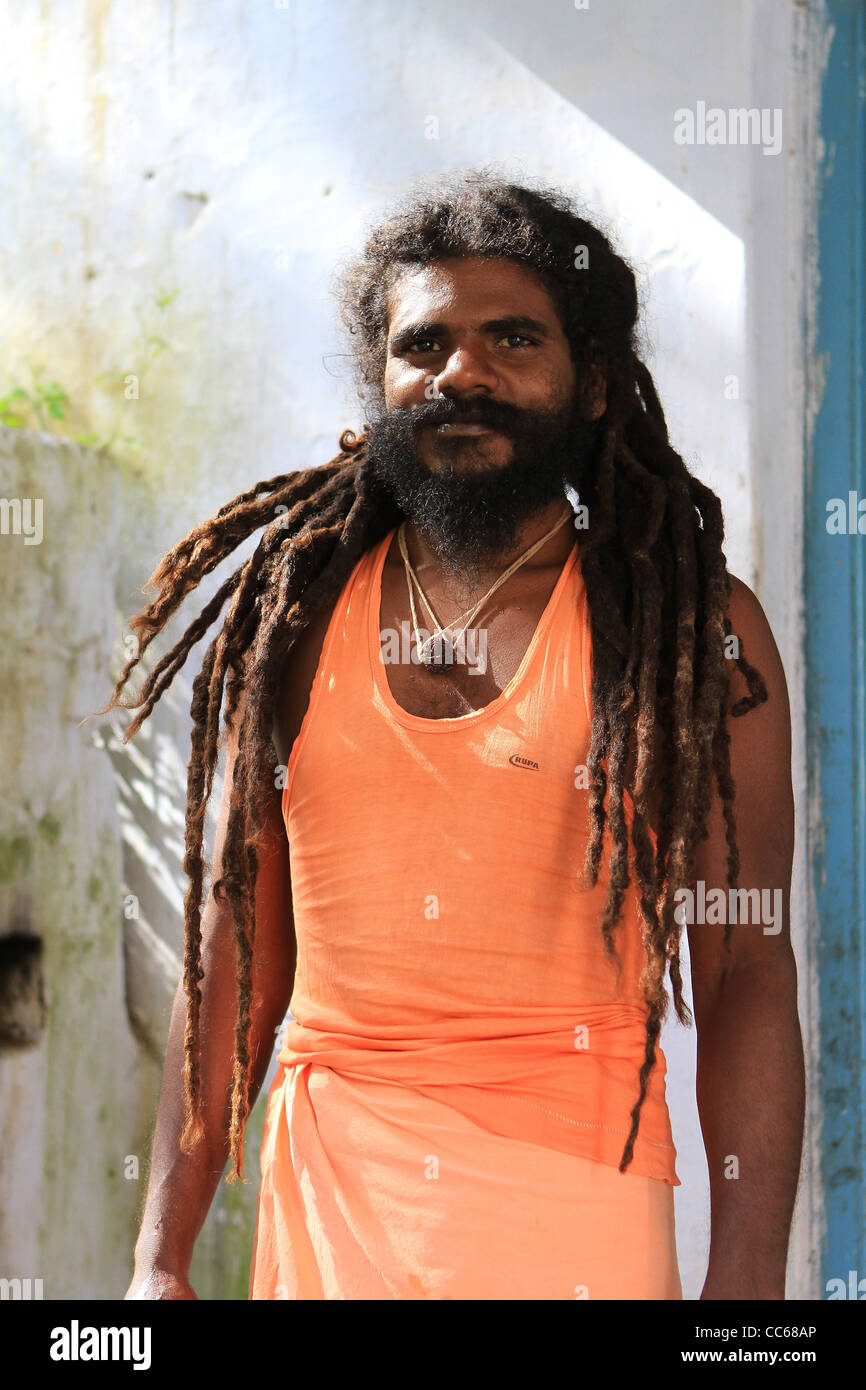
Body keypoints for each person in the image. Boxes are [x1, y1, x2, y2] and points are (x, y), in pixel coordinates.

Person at [116, 172, 804, 1300]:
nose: (460, 373)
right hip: (329, 1217)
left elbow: (740, 971)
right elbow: (236, 945)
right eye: (423, 343)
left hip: (576, 1214)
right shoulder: (299, 615)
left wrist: (746, 1291)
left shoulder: (687, 629)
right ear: (382, 382)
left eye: (511, 338)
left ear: (591, 385)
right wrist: (159, 1257)